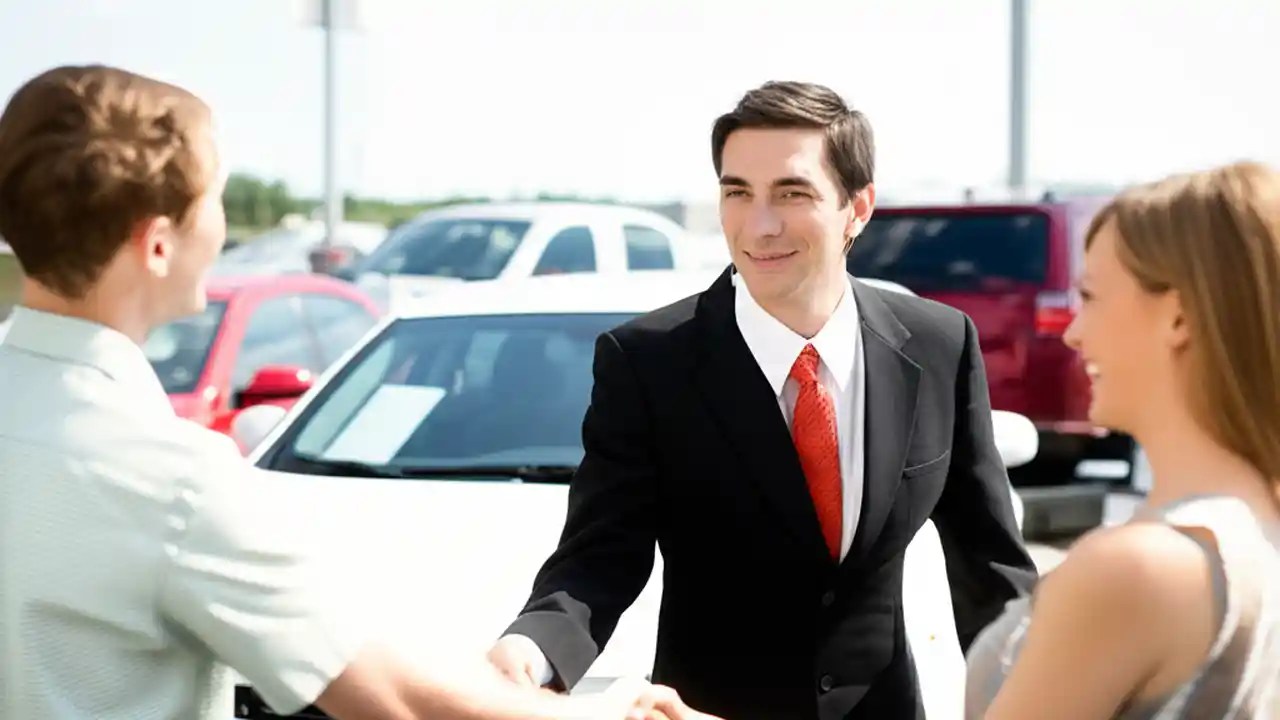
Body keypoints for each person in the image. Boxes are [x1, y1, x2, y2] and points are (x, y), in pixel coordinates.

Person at [0, 64, 712, 720]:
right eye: (213, 196)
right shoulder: (167, 478)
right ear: (157, 244)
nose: (219, 224)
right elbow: (392, 697)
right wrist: (606, 714)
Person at [487, 80, 1038, 719]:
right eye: (737, 192)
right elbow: (599, 558)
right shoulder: (647, 361)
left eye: (792, 193)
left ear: (857, 208)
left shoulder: (940, 345)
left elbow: (990, 564)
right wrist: (533, 650)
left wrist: (1036, 691)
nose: (760, 224)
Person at [965, 161, 1280, 719]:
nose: (1072, 331)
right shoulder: (1255, 528)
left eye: (1090, 296)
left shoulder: (1137, 569)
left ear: (1178, 315)